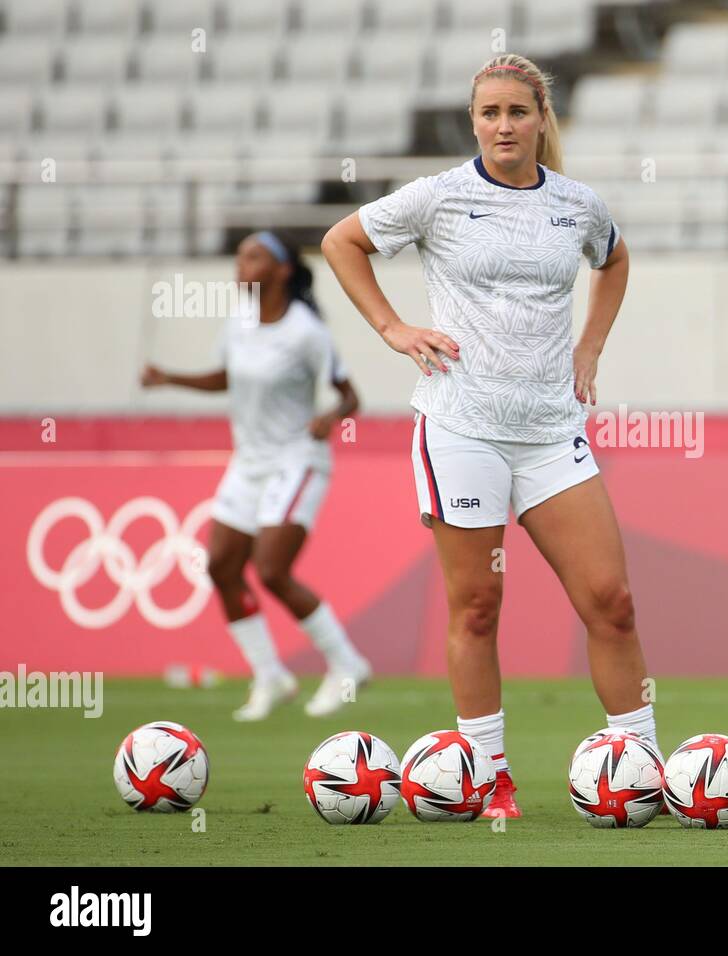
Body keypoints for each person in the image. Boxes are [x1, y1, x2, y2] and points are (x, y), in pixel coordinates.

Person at [321, 54, 654, 819]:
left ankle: (640, 766)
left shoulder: (576, 205)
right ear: (474, 123)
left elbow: (616, 258)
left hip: (550, 433)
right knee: (476, 606)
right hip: (460, 427)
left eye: (517, 112)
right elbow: (343, 241)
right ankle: (488, 777)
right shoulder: (439, 197)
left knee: (612, 601)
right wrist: (393, 327)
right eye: (489, 114)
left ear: (541, 120)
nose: (503, 126)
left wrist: (591, 346)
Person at [141, 230, 371, 721]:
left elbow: (351, 395)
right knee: (222, 566)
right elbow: (226, 375)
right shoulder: (239, 322)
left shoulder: (306, 331)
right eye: (240, 256)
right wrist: (170, 377)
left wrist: (331, 418)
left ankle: (348, 663)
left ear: (282, 269)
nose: (240, 265)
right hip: (248, 462)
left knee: (270, 570)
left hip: (297, 460)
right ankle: (270, 675)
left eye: (253, 256)